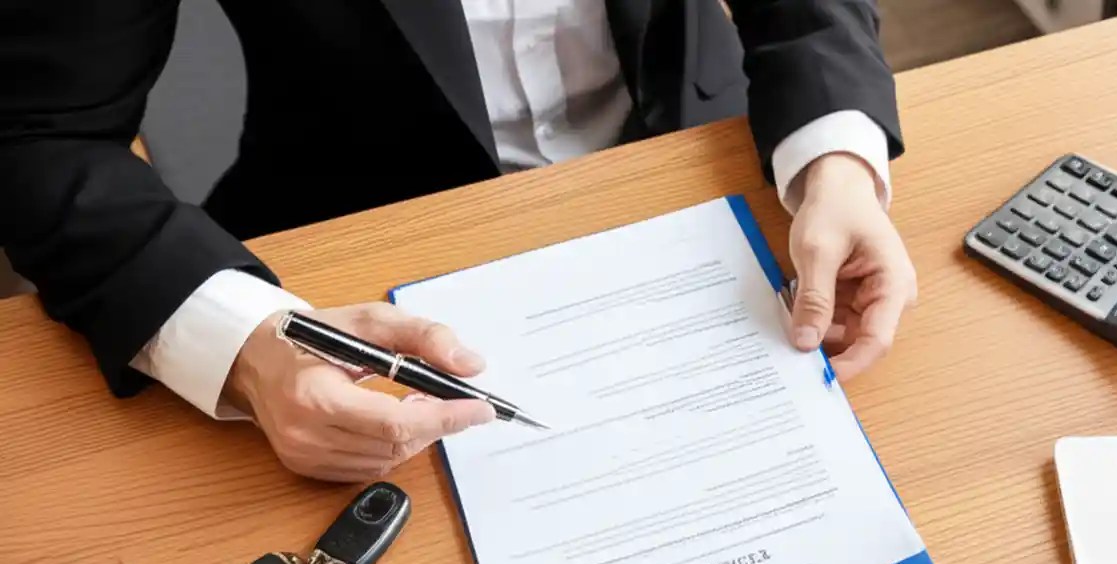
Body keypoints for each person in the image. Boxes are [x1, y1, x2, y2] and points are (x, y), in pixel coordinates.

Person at [0, 0, 917, 482]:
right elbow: (41, 133)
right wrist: (243, 346)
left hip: (689, 163)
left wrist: (834, 151)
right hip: (357, 249)